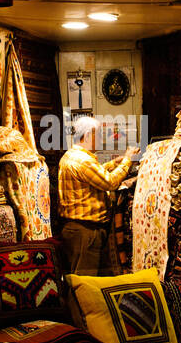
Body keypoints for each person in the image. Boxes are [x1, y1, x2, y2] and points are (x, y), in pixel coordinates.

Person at [58, 116, 138, 275]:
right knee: (83, 282)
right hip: (85, 232)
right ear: (87, 136)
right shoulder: (83, 160)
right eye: (99, 135)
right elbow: (110, 182)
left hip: (80, 229)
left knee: (83, 279)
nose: (101, 139)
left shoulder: (72, 155)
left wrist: (113, 164)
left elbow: (92, 176)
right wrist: (127, 160)